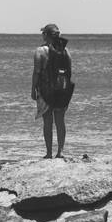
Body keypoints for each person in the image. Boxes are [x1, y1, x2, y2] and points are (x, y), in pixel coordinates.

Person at [32, 24, 74, 159]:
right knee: (60, 121)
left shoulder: (40, 50)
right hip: (62, 89)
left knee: (47, 121)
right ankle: (60, 152)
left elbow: (37, 72)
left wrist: (33, 89)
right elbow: (69, 71)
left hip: (46, 90)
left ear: (45, 35)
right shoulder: (65, 50)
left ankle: (49, 153)